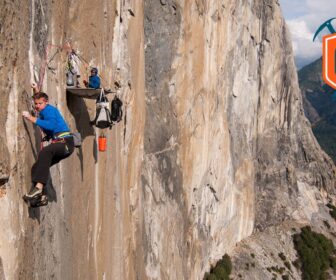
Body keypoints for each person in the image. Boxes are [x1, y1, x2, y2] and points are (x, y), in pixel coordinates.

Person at [22, 92, 74, 201]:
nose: (37, 106)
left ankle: (38, 188)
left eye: (39, 104)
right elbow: (41, 98)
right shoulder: (44, 109)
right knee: (39, 166)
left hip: (65, 143)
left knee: (45, 152)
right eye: (35, 103)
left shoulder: (49, 110)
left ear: (46, 102)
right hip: (61, 143)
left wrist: (31, 118)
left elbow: (51, 125)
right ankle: (41, 197)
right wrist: (36, 88)